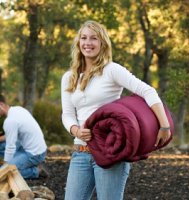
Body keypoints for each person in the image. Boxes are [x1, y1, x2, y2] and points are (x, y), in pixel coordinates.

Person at [61, 20, 171, 200]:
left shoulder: (111, 70)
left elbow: (147, 91)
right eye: (84, 38)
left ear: (102, 43)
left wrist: (164, 125)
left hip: (110, 152)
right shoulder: (69, 77)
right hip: (80, 152)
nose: (88, 43)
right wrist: (75, 130)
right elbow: (67, 114)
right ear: (78, 42)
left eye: (94, 38)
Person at [0, 93, 49, 179]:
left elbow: (10, 147)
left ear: (1, 105)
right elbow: (10, 136)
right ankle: (19, 161)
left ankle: (36, 171)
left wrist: (6, 167)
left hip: (34, 154)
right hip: (35, 148)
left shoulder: (10, 121)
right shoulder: (18, 109)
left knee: (6, 174)